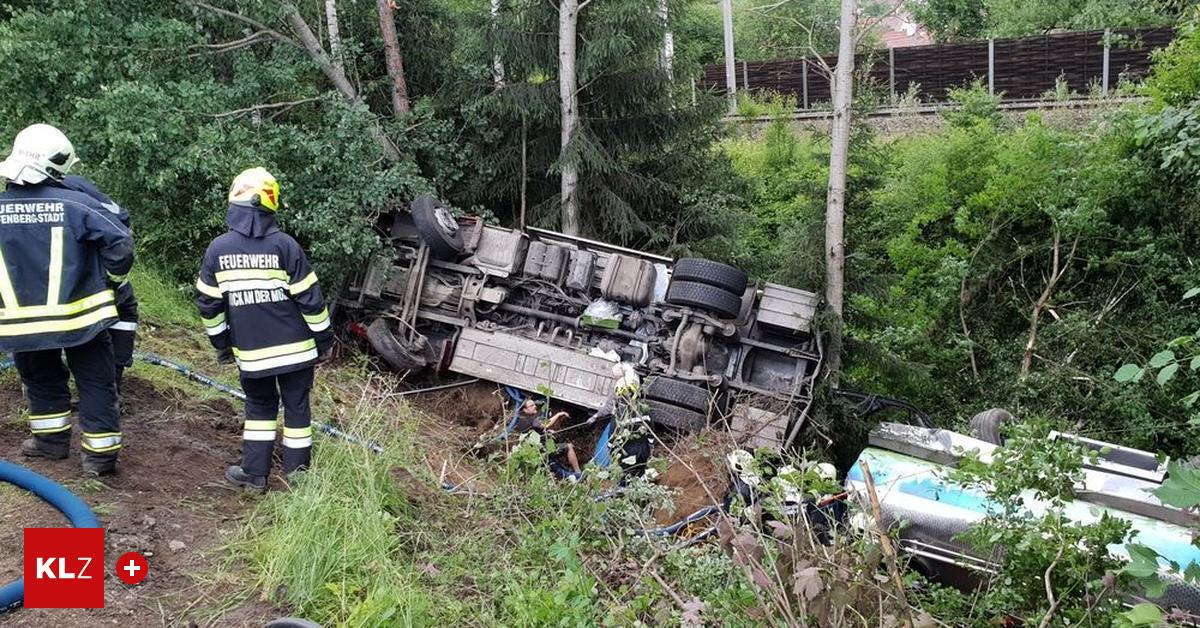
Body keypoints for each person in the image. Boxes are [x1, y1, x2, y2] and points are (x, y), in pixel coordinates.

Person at [0, 123, 134, 476]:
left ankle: (50, 443)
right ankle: (100, 458)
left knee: (41, 377)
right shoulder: (75, 203)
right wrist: (112, 283)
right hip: (82, 320)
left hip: (20, 324)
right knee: (95, 380)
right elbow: (121, 243)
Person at [195, 167, 332, 490]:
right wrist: (324, 339)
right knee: (297, 408)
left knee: (259, 408)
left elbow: (208, 304)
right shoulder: (285, 246)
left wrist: (221, 343)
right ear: (271, 203)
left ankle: (254, 475)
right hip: (296, 351)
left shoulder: (218, 249)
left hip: (252, 353)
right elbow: (310, 300)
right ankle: (299, 479)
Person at [59, 174, 138, 395]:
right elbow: (120, 218)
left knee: (121, 311)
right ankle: (110, 388)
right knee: (122, 311)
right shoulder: (76, 185)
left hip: (80, 274)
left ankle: (105, 386)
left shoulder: (63, 190)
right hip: (97, 267)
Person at [604, 363, 655, 484]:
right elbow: (651, 434)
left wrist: (611, 453)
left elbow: (612, 439)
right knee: (640, 474)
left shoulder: (618, 416)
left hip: (625, 454)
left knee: (624, 479)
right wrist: (651, 449)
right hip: (643, 452)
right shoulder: (644, 410)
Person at [512, 397, 582, 476]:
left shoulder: (521, 420)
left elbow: (532, 433)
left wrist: (546, 432)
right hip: (542, 450)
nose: (535, 406)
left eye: (534, 404)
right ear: (525, 410)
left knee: (554, 460)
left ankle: (565, 473)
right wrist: (559, 414)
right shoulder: (530, 419)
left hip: (533, 451)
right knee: (569, 446)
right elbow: (546, 424)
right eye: (531, 406)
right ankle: (578, 473)